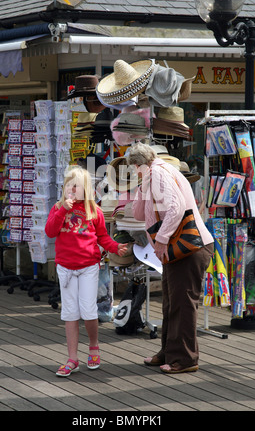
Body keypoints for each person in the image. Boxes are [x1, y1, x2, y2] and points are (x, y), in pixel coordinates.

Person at [127, 142, 214, 374]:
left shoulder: (158, 173)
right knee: (172, 303)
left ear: (137, 164)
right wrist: (141, 186)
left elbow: (176, 208)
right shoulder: (151, 176)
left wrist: (163, 239)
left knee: (182, 304)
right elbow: (137, 213)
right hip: (181, 249)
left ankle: (185, 359)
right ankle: (169, 352)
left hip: (187, 248)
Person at [45, 166, 128, 377]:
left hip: (89, 266)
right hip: (65, 267)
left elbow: (102, 238)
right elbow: (50, 231)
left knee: (89, 310)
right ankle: (72, 358)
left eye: (76, 186)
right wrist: (63, 209)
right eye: (68, 185)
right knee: (70, 313)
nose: (71, 189)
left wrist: (115, 247)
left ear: (86, 189)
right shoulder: (58, 208)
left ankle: (93, 345)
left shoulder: (94, 211)